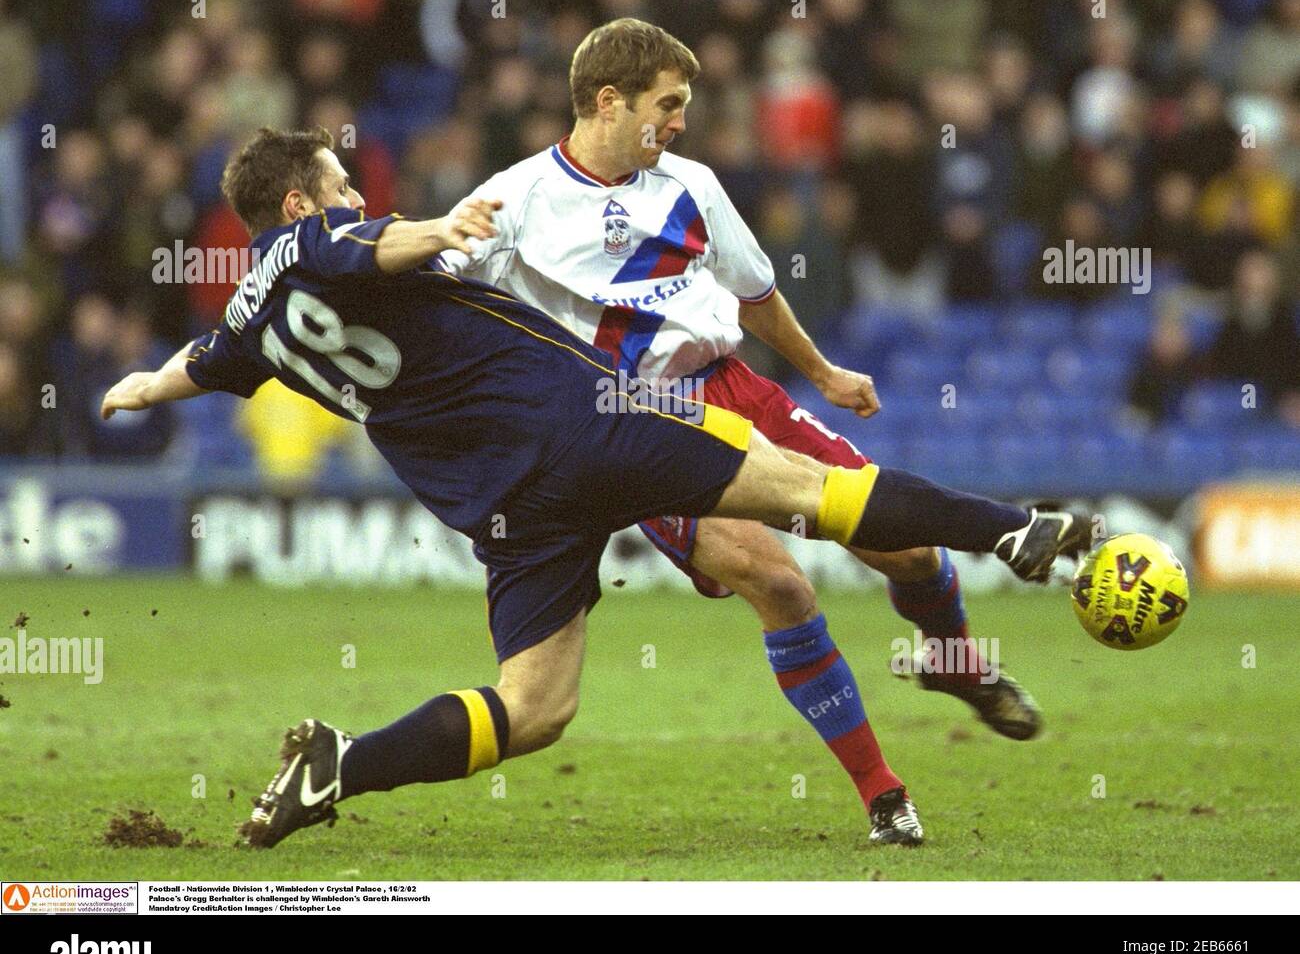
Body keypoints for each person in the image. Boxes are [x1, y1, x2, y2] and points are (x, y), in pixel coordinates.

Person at [102, 127, 1091, 849]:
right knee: (810, 490)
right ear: (298, 205)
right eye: (341, 183)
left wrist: (146, 383)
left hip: (507, 504)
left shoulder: (252, 315)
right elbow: (364, 247)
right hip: (592, 425)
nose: (358, 195)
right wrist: (436, 225)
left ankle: (337, 765)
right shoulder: (321, 244)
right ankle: (1016, 532)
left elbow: (208, 359)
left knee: (532, 706)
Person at [437, 18, 1044, 844]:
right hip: (637, 426)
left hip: (735, 386)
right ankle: (882, 793)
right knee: (782, 584)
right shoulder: (511, 202)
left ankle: (955, 662)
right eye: (670, 103)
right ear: (609, 102)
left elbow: (754, 290)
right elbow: (433, 296)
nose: (682, 120)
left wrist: (823, 373)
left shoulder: (691, 184)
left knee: (904, 549)